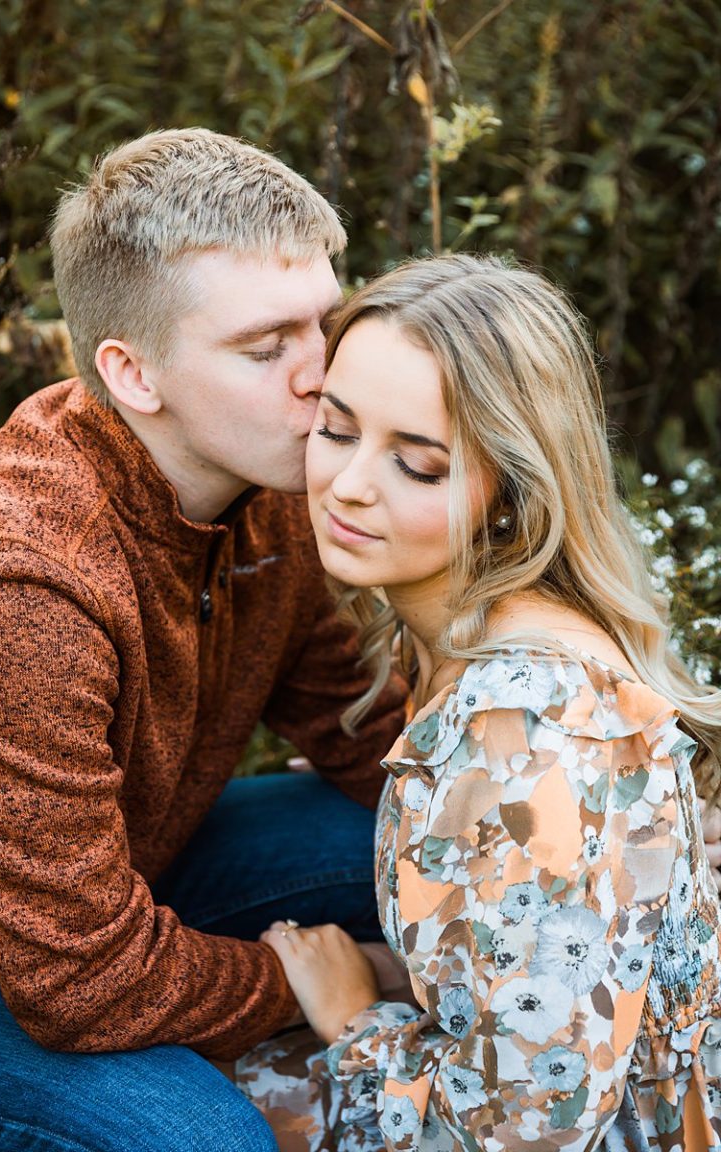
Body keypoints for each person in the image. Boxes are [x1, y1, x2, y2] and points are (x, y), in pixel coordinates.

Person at [0, 129, 408, 1151]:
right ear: (134, 373)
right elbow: (77, 984)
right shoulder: (15, 572)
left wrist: (599, 826)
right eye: (264, 348)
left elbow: (364, 727)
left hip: (126, 874)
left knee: (425, 836)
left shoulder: (271, 482)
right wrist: (349, 980)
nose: (322, 378)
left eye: (324, 324)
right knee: (205, 1142)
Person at [236, 254, 721, 1150]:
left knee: (193, 1114)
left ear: (512, 493)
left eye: (418, 465)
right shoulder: (470, 636)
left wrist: (352, 1018)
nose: (347, 485)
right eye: (336, 430)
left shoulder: (523, 732)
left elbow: (525, 1134)